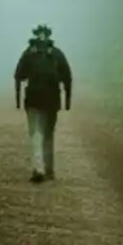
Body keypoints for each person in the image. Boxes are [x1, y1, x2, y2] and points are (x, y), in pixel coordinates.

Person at [15, 24, 72, 183]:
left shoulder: (29, 54)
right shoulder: (56, 54)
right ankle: (46, 169)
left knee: (37, 134)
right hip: (50, 99)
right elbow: (67, 77)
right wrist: (67, 100)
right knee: (45, 135)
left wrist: (18, 100)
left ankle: (40, 168)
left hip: (35, 99)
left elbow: (18, 76)